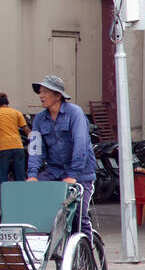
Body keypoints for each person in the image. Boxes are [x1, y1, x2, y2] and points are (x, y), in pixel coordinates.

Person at [27, 75, 97, 236]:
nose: (41, 95)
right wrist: (32, 175)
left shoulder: (75, 113)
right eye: (40, 92)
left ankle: (87, 252)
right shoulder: (39, 119)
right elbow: (36, 149)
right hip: (55, 171)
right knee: (34, 200)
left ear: (58, 95)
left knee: (78, 215)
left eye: (45, 92)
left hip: (81, 173)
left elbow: (81, 145)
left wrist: (73, 174)